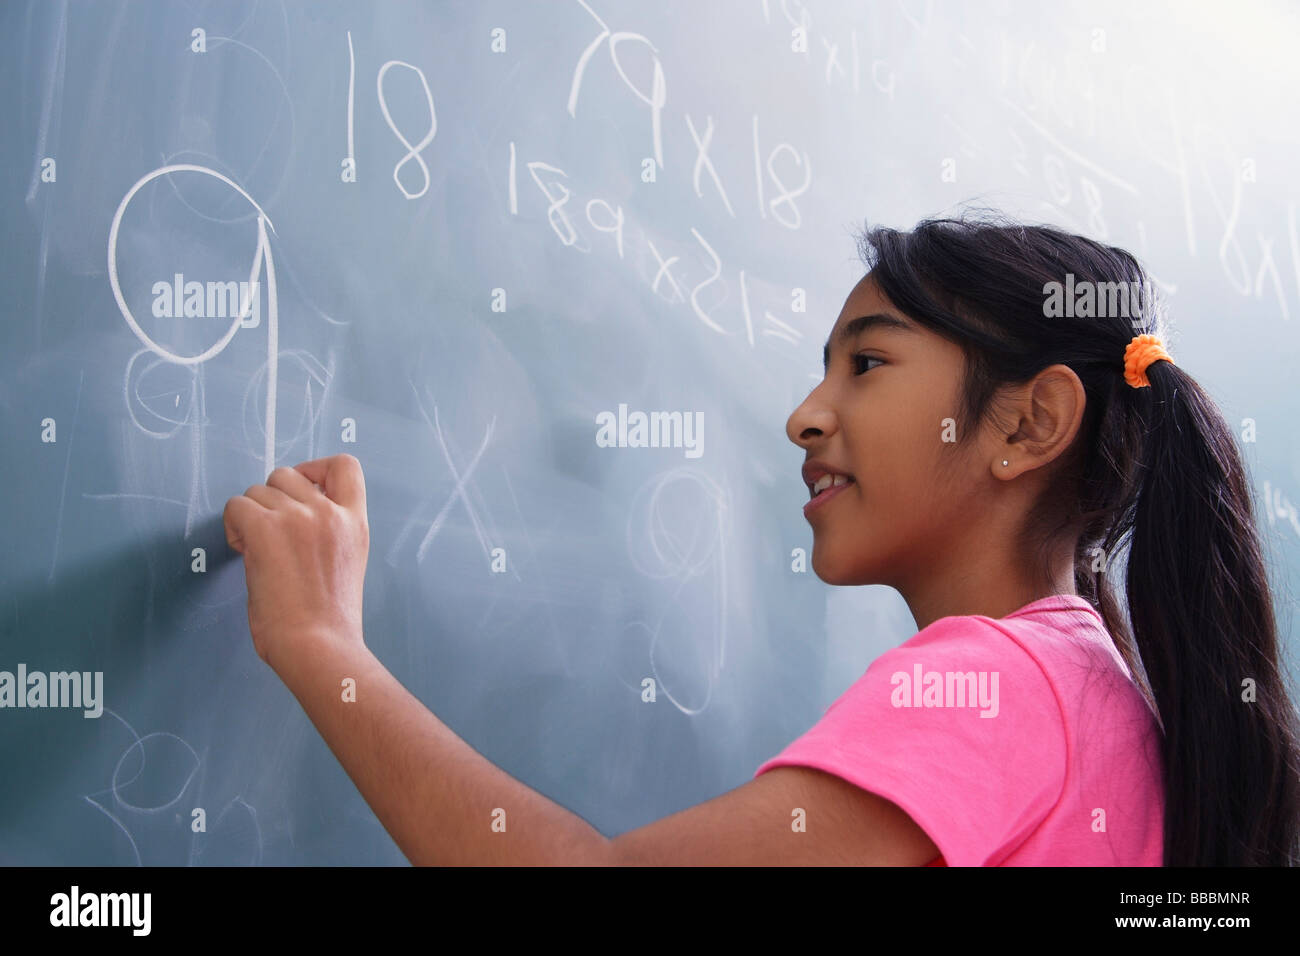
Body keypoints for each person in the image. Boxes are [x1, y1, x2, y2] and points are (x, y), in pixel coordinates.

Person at [223, 212, 1300, 865]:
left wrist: (325, 646)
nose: (805, 414)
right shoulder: (1093, 691)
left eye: (866, 364)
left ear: (1028, 422)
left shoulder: (995, 685)